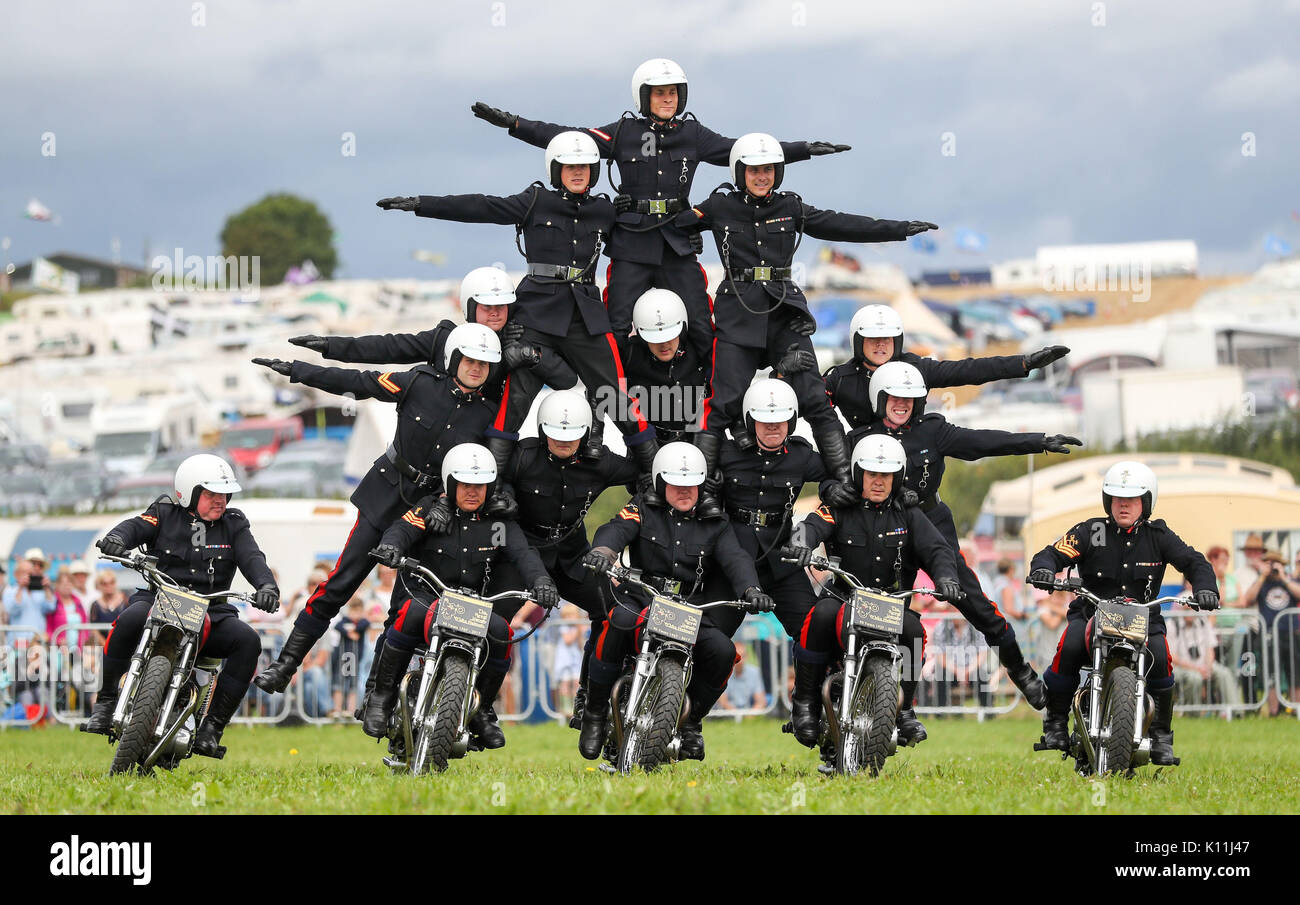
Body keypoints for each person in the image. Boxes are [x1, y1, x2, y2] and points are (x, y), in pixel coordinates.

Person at [471, 58, 851, 364]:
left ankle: (704, 396)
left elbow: (747, 152)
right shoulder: (622, 132)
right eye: (659, 93)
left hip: (677, 243)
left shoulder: (694, 135)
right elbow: (569, 139)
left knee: (701, 323)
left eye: (673, 93)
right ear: (644, 97)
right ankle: (611, 401)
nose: (668, 99)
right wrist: (514, 125)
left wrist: (803, 149)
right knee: (616, 326)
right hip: (632, 243)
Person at [374, 131, 661, 490]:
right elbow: (482, 206)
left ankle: (654, 472)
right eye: (570, 166)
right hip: (536, 311)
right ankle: (488, 488)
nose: (578, 172)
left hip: (585, 316)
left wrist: (691, 230)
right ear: (556, 170)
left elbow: (641, 241)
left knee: (616, 392)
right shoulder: (535, 201)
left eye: (585, 167)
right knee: (515, 402)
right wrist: (421, 204)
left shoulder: (605, 210)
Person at [678, 133, 936, 511]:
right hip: (737, 317)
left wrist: (897, 230)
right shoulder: (720, 205)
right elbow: (674, 223)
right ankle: (701, 494)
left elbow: (839, 225)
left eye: (768, 169)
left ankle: (848, 485)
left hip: (786, 316)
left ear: (777, 173)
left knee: (816, 401)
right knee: (721, 405)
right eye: (754, 170)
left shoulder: (790, 206)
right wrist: (687, 237)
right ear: (740, 173)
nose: (762, 176)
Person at [250, 324, 501, 694]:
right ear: (454, 358)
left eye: (484, 363)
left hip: (431, 511)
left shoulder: (489, 414)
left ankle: (376, 695)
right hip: (384, 493)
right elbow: (361, 382)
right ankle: (285, 665)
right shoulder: (418, 382)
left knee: (403, 609)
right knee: (339, 584)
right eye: (469, 359)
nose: (476, 368)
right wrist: (300, 371)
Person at [844, 361, 1079, 708]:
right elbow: (828, 470)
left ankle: (1021, 672)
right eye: (894, 397)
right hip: (884, 531)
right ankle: (901, 706)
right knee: (898, 621)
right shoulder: (861, 439)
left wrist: (1038, 441)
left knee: (977, 605)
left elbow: (981, 442)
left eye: (909, 399)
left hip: (932, 526)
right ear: (879, 399)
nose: (901, 404)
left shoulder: (932, 430)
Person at [579, 441, 774, 761]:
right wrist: (603, 552)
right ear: (659, 482)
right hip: (643, 595)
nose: (685, 490)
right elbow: (615, 529)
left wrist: (751, 590)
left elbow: (736, 559)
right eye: (676, 483)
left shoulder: (717, 522)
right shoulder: (642, 506)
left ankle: (690, 722)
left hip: (687, 606)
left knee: (723, 652)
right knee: (618, 621)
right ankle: (595, 712)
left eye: (692, 484)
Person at [364, 443, 559, 748]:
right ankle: (380, 697)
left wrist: (543, 582)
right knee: (410, 615)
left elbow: (524, 555)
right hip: (424, 595)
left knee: (501, 631)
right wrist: (392, 547)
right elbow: (402, 529)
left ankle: (481, 711)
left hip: (469, 603)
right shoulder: (430, 508)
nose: (473, 492)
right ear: (451, 484)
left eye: (480, 486)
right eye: (465, 484)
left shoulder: (498, 524)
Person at [84, 454, 280, 756]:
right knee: (127, 620)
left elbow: (253, 557)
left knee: (248, 641)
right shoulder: (163, 512)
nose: (221, 501)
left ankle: (212, 729)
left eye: (224, 494)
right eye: (212, 493)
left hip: (211, 609)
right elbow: (134, 527)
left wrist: (266, 586)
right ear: (188, 492)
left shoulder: (235, 523)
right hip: (159, 598)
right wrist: (115, 538)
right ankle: (106, 702)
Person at [1028, 460, 1219, 764]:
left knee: (1161, 660)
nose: (1123, 505)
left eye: (1131, 499)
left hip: (1143, 617)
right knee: (1070, 645)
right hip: (1092, 612)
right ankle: (1055, 725)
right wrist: (1043, 570)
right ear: (1108, 501)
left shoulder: (1160, 536)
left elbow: (1196, 562)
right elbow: (1051, 554)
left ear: (1146, 502)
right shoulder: (1092, 531)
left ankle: (1161, 737)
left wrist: (1206, 588)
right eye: (1117, 498)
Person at [783, 434, 963, 748]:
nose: (879, 481)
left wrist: (946, 577)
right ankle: (805, 704)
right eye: (871, 474)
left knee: (914, 629)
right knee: (821, 613)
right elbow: (812, 525)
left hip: (891, 605)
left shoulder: (910, 515)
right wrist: (801, 543)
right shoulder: (839, 508)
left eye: (887, 475)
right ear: (858, 474)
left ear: (898, 478)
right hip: (843, 600)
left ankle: (905, 709)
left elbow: (938, 550)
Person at [489, 389, 639, 728]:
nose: (564, 441)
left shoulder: (601, 461)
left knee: (617, 611)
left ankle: (591, 699)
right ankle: (484, 705)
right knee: (493, 624)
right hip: (520, 556)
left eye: (572, 436)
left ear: (586, 432)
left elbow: (643, 473)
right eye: (556, 434)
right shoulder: (521, 455)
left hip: (573, 557)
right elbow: (492, 479)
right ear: (542, 430)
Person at [285, 265, 580, 409]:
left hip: (479, 458)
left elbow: (565, 381)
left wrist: (528, 355)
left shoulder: (522, 340)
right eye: (487, 306)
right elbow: (390, 347)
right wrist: (332, 345)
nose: (495, 313)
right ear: (470, 306)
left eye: (502, 306)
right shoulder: (444, 339)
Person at [715, 378, 846, 662]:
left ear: (792, 421)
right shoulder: (725, 453)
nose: (773, 426)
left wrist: (829, 490)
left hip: (782, 561)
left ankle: (805, 704)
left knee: (816, 633)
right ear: (749, 421)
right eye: (764, 420)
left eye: (781, 420)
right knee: (706, 638)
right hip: (729, 563)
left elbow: (836, 473)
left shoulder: (801, 456)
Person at [823, 303, 1070, 430]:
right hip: (863, 475)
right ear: (857, 340)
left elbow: (968, 370)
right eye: (872, 339)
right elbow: (803, 404)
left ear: (897, 340)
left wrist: (1022, 363)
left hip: (912, 471)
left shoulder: (915, 369)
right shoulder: (839, 379)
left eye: (886, 338)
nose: (880, 345)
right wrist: (786, 369)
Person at [624, 289, 709, 444]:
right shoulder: (630, 356)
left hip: (699, 442)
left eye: (670, 336)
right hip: (650, 448)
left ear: (682, 330)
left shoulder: (702, 350)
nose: (664, 344)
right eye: (655, 338)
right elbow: (597, 382)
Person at [1242, 549, 1300, 715]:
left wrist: (1283, 578)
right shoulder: (1261, 583)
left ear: (1282, 565)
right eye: (1269, 563)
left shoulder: (1290, 580)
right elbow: (1248, 598)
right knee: (1270, 674)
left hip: (1290, 633)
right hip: (1268, 635)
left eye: (1276, 563)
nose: (1273, 567)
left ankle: (1296, 709)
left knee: (1295, 672)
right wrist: (1262, 576)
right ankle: (1274, 711)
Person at [2, 549, 51, 643]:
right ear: (16, 574)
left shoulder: (41, 591)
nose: (36, 568)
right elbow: (12, 609)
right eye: (25, 572)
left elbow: (50, 608)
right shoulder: (9, 591)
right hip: (18, 645)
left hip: (38, 644)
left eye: (39, 565)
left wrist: (47, 588)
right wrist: (21, 588)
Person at [718, 642, 767, 713]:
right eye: (736, 657)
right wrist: (737, 714)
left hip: (749, 709)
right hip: (728, 712)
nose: (739, 661)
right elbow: (723, 701)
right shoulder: (724, 672)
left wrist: (749, 715)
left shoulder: (754, 672)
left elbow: (761, 701)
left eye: (742, 656)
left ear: (747, 656)